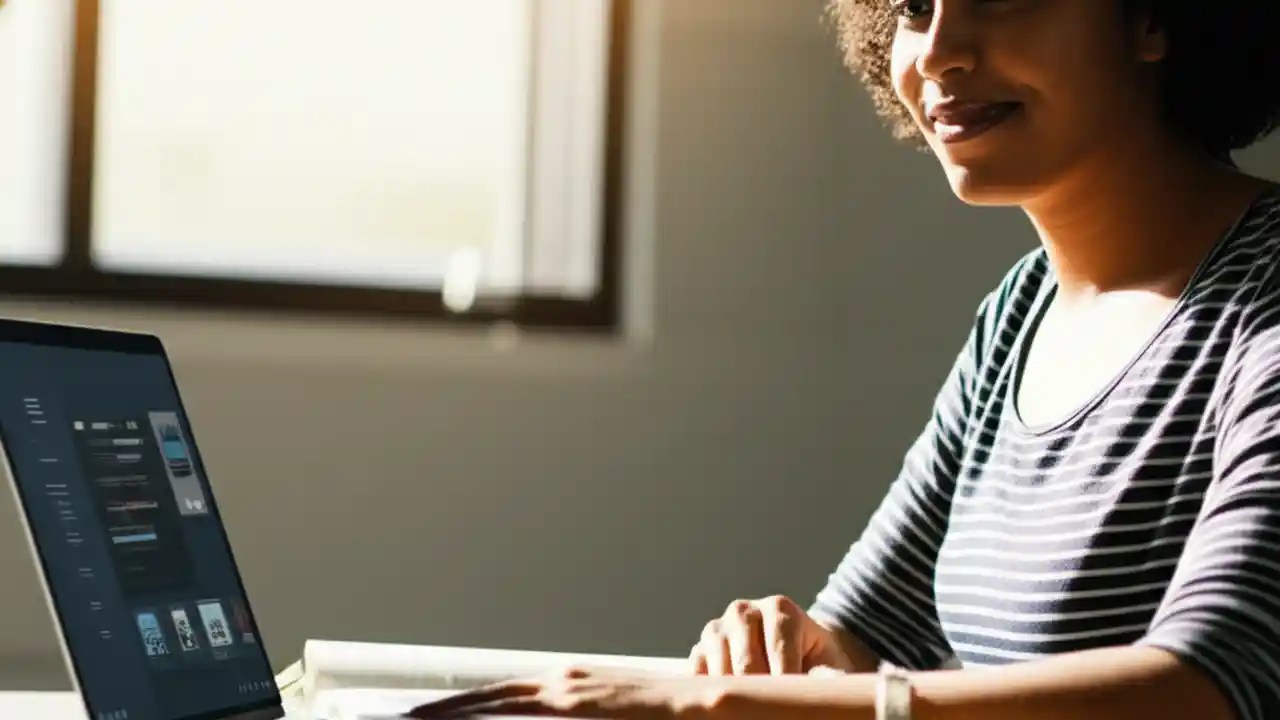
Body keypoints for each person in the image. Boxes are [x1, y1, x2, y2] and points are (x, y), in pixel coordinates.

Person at [409, 0, 1280, 718]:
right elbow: (863, 636)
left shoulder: (1266, 294)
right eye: (911, 7)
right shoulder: (1020, 314)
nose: (939, 50)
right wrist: (779, 650)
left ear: (1155, 18)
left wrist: (709, 705)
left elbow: (1210, 686)